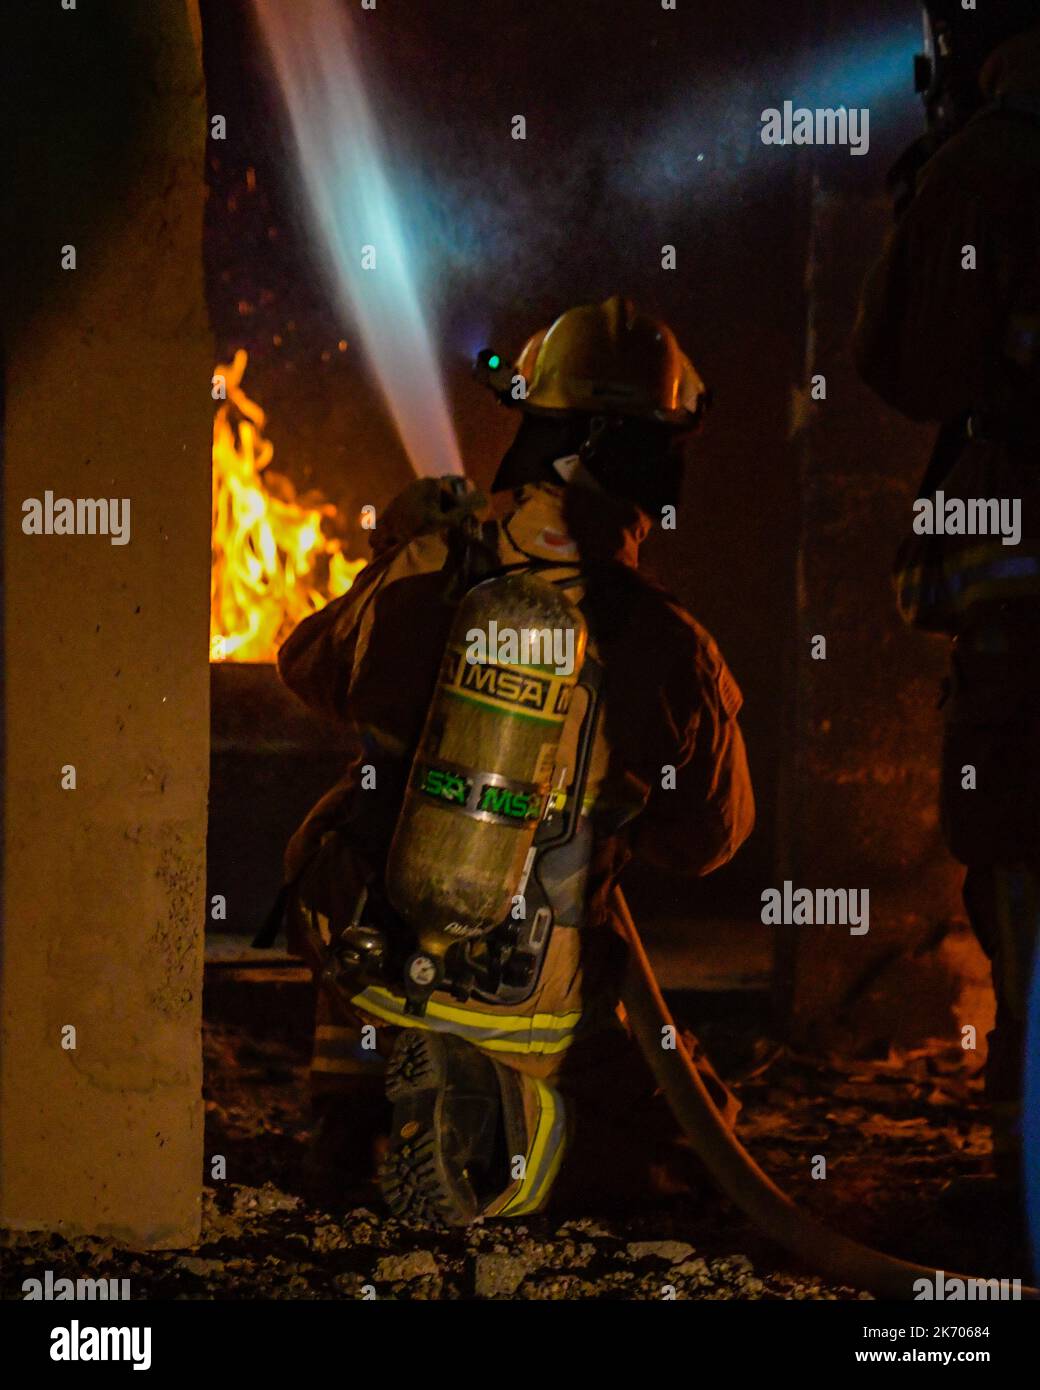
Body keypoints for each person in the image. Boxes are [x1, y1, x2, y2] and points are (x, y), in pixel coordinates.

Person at [276, 294, 755, 1221]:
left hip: (371, 974)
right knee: (683, 1152)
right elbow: (713, 839)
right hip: (530, 1003)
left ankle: (352, 1124)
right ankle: (502, 1143)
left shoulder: (424, 570)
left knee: (346, 838)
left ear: (530, 428)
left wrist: (393, 562)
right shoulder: (669, 645)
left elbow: (308, 668)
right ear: (660, 464)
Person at [854, 2, 1040, 1202]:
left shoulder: (983, 165)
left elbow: (902, 367)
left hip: (1022, 571)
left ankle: (1027, 1125)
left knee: (1017, 838)